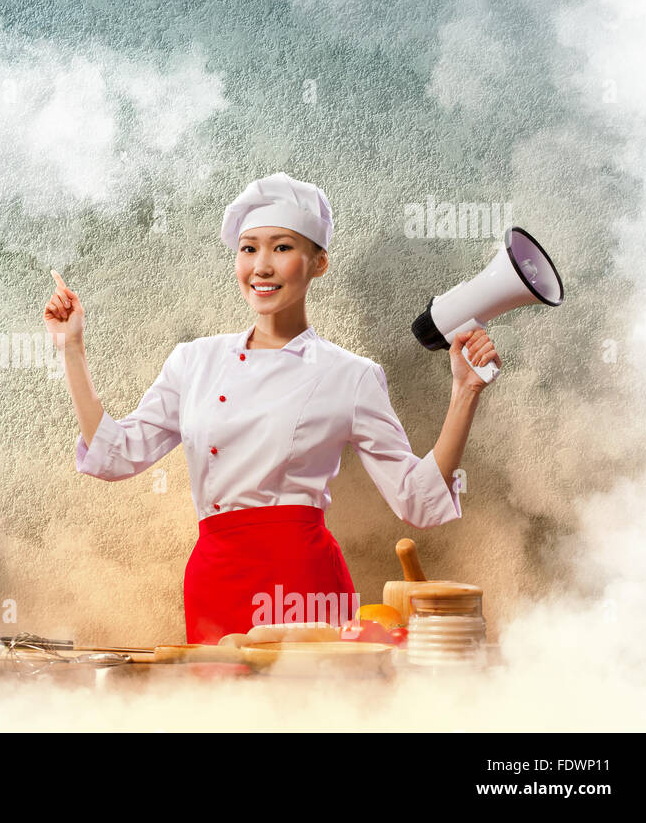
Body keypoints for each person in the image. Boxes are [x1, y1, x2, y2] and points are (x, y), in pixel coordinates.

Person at [43, 172, 498, 644]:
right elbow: (116, 456)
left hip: (306, 589)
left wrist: (464, 393)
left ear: (319, 263)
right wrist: (71, 348)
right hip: (214, 579)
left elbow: (416, 500)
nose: (261, 266)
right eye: (248, 248)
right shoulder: (193, 362)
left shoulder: (351, 375)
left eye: (281, 248)